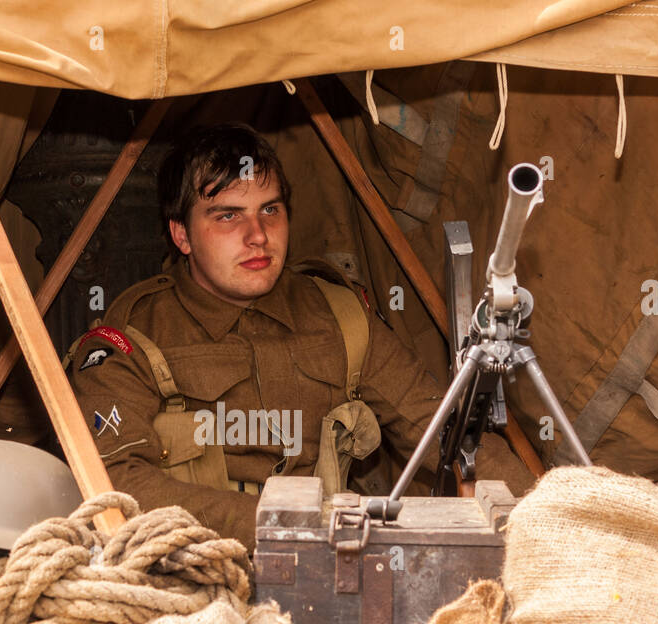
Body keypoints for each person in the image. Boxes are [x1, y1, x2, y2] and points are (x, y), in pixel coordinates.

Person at [67, 122, 444, 549]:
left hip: (325, 568)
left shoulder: (340, 315)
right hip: (190, 567)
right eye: (228, 215)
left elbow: (443, 434)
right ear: (182, 235)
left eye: (270, 210)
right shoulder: (136, 334)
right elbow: (111, 482)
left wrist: (532, 514)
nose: (258, 236)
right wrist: (279, 526)